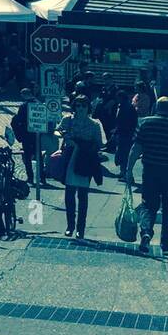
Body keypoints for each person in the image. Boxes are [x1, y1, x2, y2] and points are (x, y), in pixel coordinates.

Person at [127, 97, 168, 256]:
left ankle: (146, 232)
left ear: (157, 107)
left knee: (148, 205)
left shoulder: (145, 123)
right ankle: (167, 244)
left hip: (150, 170)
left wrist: (128, 170)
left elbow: (136, 148)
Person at [54, 94, 105, 240]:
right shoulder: (67, 120)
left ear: (88, 107)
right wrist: (64, 136)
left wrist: (84, 145)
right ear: (74, 106)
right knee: (69, 193)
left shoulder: (94, 124)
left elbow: (100, 143)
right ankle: (70, 225)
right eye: (78, 105)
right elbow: (57, 130)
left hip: (85, 160)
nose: (80, 108)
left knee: (82, 195)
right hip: (71, 158)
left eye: (84, 105)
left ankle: (80, 229)